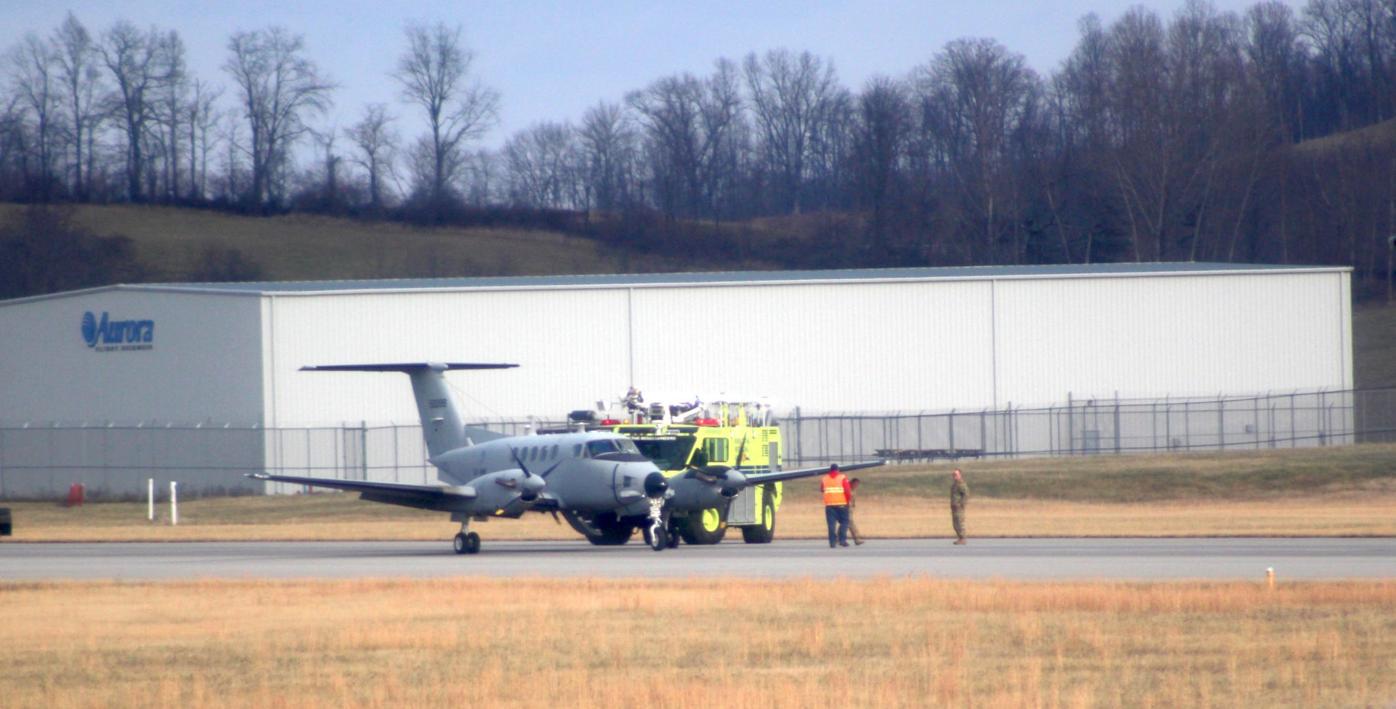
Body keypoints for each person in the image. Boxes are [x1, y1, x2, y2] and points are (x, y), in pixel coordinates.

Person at [820, 463, 852, 548]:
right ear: (838, 470)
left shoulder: (824, 479)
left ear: (830, 470)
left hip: (829, 506)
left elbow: (822, 489)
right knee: (845, 522)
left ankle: (832, 543)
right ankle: (842, 540)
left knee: (831, 525)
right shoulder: (842, 478)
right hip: (842, 504)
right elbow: (847, 491)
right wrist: (848, 502)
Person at [950, 468, 969, 545]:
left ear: (960, 475)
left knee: (960, 523)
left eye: (956, 474)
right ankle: (959, 538)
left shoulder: (961, 484)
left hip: (959, 507)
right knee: (955, 524)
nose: (954, 476)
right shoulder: (954, 485)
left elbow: (966, 494)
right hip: (954, 507)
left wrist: (962, 504)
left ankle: (962, 538)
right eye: (953, 475)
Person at [847, 477, 866, 545]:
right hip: (846, 508)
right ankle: (857, 539)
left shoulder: (853, 489)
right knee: (850, 523)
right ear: (852, 483)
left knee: (845, 524)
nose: (856, 486)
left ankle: (837, 538)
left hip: (850, 508)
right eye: (856, 484)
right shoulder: (847, 489)